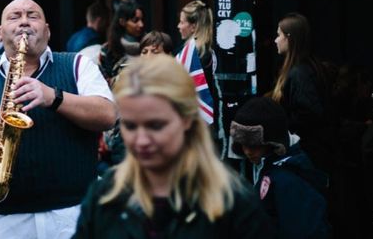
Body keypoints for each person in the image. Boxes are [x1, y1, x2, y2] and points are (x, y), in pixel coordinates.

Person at [0, 0, 116, 239]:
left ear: (47, 30)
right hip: (6, 221)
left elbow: (108, 115)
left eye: (33, 15)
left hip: (73, 214)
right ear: (0, 31)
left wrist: (53, 97)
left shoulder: (78, 65)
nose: (24, 22)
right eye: (14, 17)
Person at [73, 55, 274, 238]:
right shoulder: (105, 197)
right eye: (131, 125)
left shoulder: (235, 204)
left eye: (156, 125)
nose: (142, 140)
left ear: (186, 119)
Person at [229, 96, 331, 239]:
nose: (247, 151)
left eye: (254, 144)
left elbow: (303, 232)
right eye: (243, 144)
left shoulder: (289, 181)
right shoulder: (268, 168)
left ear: (273, 143)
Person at [271, 13, 333, 172]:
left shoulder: (299, 74)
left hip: (306, 156)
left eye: (279, 35)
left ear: (289, 38)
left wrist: (283, 130)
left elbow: (308, 114)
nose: (275, 40)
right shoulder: (310, 68)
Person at [176, 0, 220, 138]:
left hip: (198, 124)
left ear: (193, 26)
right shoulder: (209, 49)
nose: (178, 26)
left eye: (182, 22)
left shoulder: (194, 54)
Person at [99, 0, 144, 81]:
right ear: (122, 22)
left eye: (142, 20)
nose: (141, 25)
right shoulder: (108, 50)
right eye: (135, 20)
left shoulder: (149, 45)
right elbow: (105, 81)